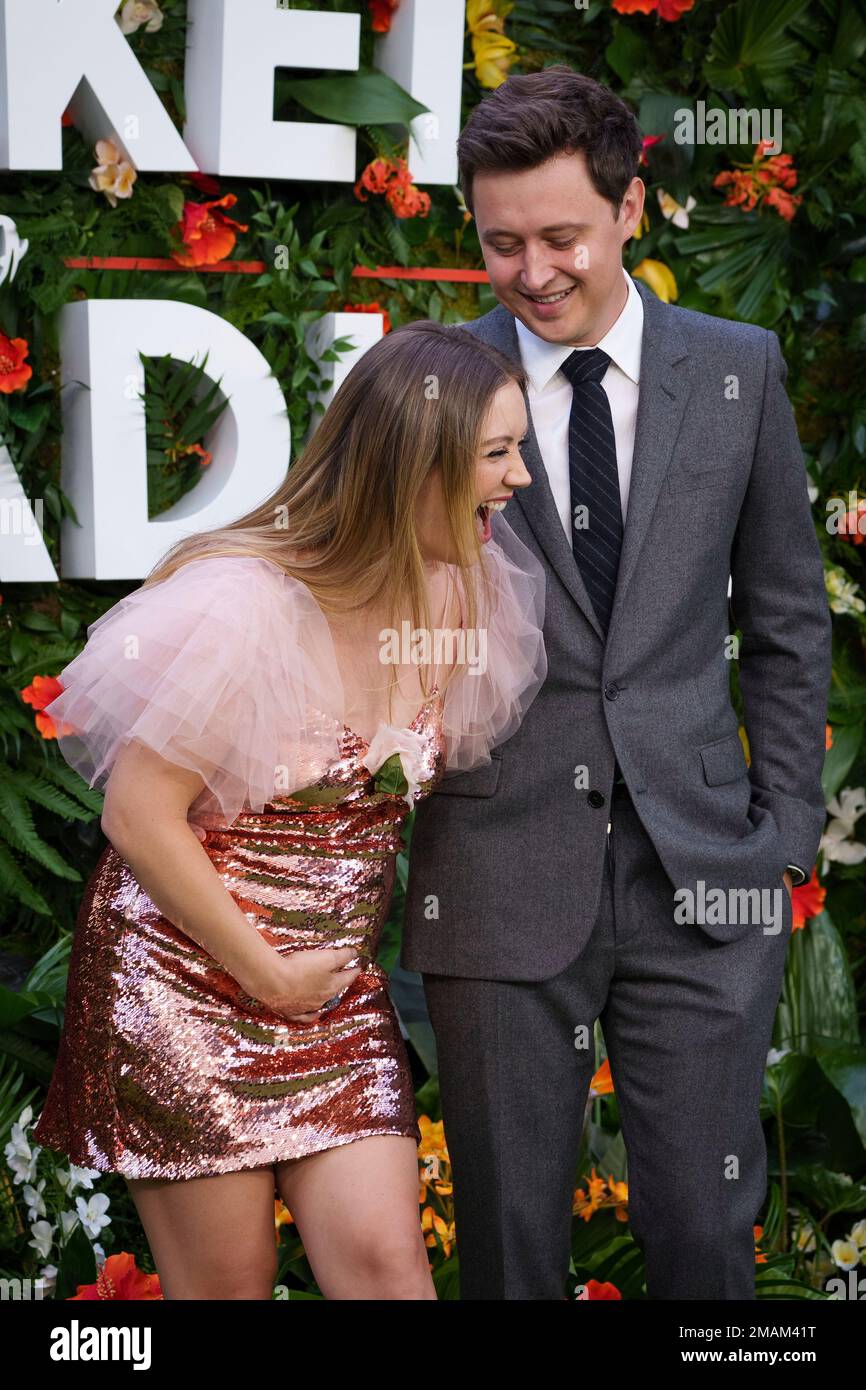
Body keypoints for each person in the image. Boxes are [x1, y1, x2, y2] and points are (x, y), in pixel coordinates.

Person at [402, 67, 832, 1300]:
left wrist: (785, 838)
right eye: (498, 244)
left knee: (703, 1237)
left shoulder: (737, 369)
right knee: (506, 1244)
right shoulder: (428, 380)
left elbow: (788, 617)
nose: (530, 271)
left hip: (705, 872)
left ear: (629, 208)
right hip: (493, 868)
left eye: (558, 238)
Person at [32, 321, 547, 1301]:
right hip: (188, 976)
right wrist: (265, 970)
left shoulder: (453, 592)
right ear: (412, 463)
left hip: (329, 991)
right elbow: (138, 818)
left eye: (516, 448)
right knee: (229, 1284)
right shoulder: (243, 605)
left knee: (386, 1268)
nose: (518, 476)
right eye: (494, 453)